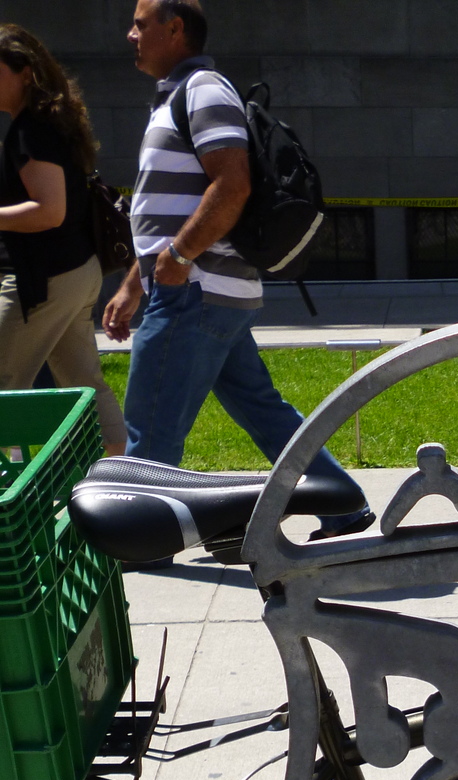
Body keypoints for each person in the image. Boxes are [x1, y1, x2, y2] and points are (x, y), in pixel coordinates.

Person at [102, 0, 372, 534]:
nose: (130, 34)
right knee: (265, 414)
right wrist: (136, 285)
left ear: (174, 29)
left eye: (140, 23)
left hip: (194, 292)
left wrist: (178, 259)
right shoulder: (178, 96)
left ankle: (135, 537)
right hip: (200, 290)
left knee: (150, 429)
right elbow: (171, 210)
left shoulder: (202, 89)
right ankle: (341, 503)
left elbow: (233, 183)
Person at [0, 26, 126, 454]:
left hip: (44, 280)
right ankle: (118, 478)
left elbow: (48, 210)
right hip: (75, 272)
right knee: (84, 384)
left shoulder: (29, 131)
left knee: (3, 385)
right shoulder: (48, 124)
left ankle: (11, 493)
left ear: (26, 73)